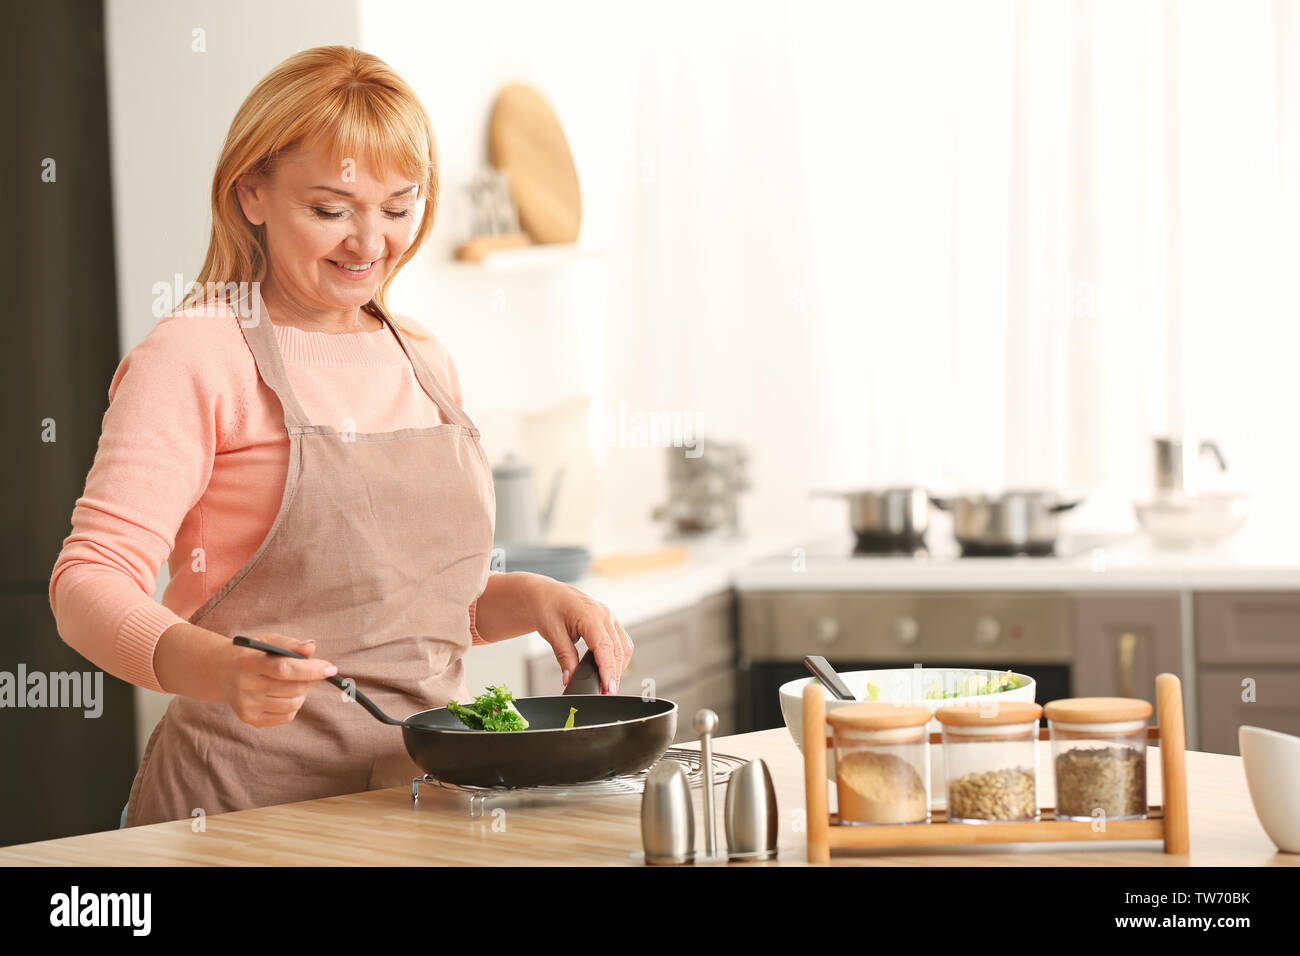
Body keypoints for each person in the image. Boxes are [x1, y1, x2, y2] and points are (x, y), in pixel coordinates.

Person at [48, 46, 632, 828]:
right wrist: (218, 669)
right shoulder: (197, 356)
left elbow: (404, 611)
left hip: (423, 810)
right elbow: (85, 586)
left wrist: (535, 597)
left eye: (398, 207)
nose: (370, 243)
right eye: (331, 209)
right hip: (239, 818)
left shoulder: (421, 357)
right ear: (251, 192)